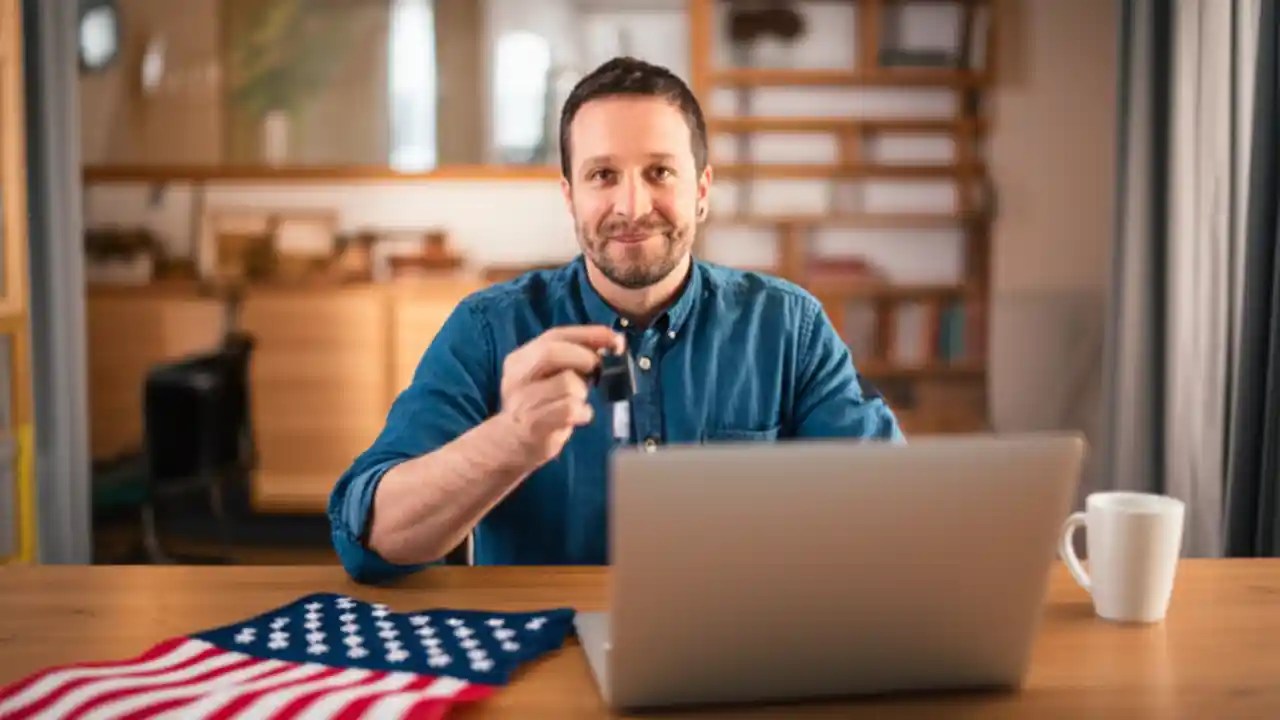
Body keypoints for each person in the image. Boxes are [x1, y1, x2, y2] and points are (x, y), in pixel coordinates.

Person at [330, 56, 904, 583]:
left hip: (740, 658)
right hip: (544, 664)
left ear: (702, 192)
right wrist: (510, 442)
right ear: (570, 196)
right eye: (603, 175)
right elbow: (369, 543)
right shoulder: (487, 330)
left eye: (660, 172)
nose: (632, 207)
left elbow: (893, 516)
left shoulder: (789, 327)